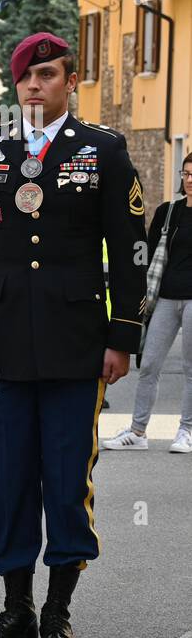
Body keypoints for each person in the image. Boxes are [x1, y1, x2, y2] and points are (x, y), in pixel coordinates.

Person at [0, 31, 146, 638]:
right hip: (2, 346)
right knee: (6, 481)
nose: (36, 87)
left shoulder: (104, 151)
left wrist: (123, 338)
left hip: (75, 344)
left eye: (50, 77)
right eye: (27, 79)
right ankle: (16, 611)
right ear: (16, 85)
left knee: (66, 481)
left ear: (70, 83)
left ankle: (58, 611)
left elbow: (129, 252)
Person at [103, 151, 192, 454]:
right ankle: (138, 431)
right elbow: (149, 252)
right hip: (166, 297)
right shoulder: (169, 212)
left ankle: (186, 430)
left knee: (191, 369)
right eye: (186, 173)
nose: (190, 180)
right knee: (150, 363)